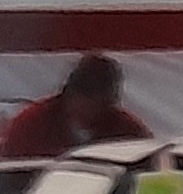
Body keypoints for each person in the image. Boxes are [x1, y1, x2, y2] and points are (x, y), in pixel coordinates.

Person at [4, 54, 147, 157]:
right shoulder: (30, 124)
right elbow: (11, 178)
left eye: (103, 105)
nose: (92, 113)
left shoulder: (128, 130)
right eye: (87, 103)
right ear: (69, 95)